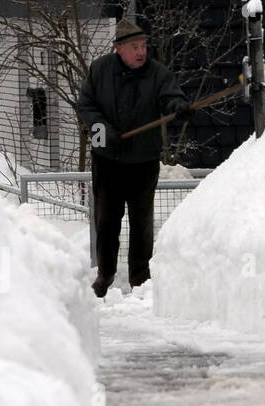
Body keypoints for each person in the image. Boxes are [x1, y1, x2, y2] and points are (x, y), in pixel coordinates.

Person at [77, 18, 190, 297]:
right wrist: (103, 130)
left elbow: (170, 97)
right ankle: (105, 275)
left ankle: (140, 279)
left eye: (143, 46)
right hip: (107, 161)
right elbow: (86, 105)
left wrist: (178, 107)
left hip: (143, 161)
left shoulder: (157, 74)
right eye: (134, 47)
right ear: (119, 48)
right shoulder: (100, 70)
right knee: (107, 222)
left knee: (142, 223)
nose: (141, 52)